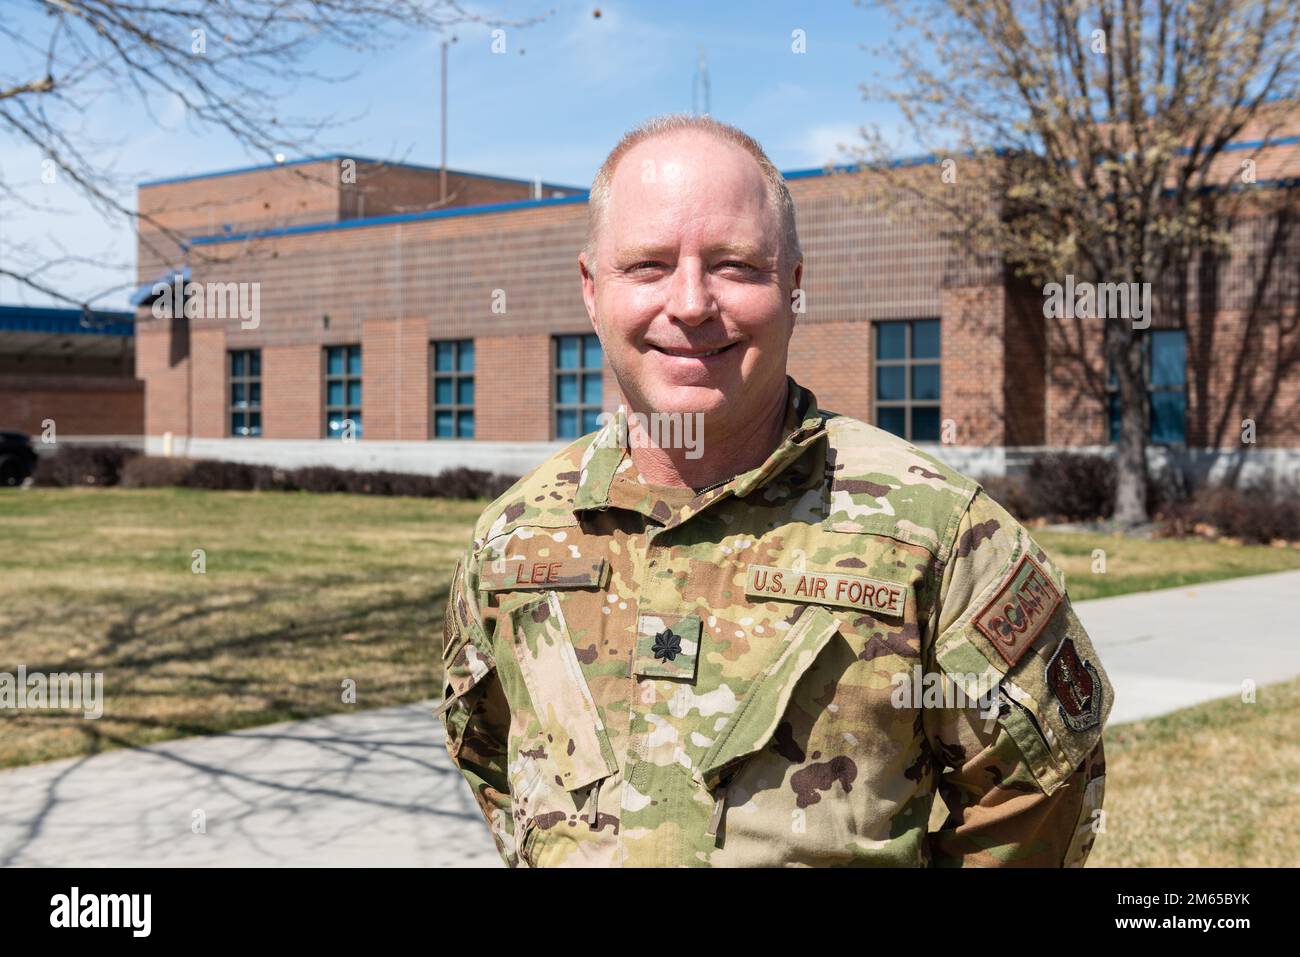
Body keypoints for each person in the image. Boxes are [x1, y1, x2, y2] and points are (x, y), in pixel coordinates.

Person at [437, 113, 1112, 867]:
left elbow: (1037, 789)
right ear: (593, 290)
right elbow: (492, 756)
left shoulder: (940, 532)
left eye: (734, 265)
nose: (691, 303)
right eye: (649, 266)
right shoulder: (513, 538)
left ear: (794, 286)